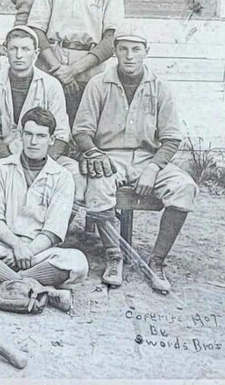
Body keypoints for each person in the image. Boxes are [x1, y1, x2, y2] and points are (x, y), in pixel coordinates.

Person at [71, 27, 197, 293]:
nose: (129, 56)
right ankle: (114, 256)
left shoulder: (160, 87)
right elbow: (81, 130)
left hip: (147, 159)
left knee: (184, 187)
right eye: (123, 49)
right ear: (115, 52)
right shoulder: (99, 83)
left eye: (136, 49)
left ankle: (157, 261)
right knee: (98, 185)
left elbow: (172, 138)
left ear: (146, 52)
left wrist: (153, 168)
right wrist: (95, 154)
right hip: (110, 156)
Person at [0, 107, 88, 291]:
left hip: (38, 252)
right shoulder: (0, 167)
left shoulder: (63, 176)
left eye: (40, 136)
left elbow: (54, 230)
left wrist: (27, 251)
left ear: (51, 140)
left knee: (77, 262)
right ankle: (33, 287)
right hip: (1, 247)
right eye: (28, 134)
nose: (33, 142)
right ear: (20, 135)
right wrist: (16, 246)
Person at [0, 25, 73, 197]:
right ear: (5, 51)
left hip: (41, 154)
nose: (19, 55)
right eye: (14, 49)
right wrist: (13, 166)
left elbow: (61, 134)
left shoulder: (51, 85)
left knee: (73, 171)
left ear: (36, 54)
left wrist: (41, 165)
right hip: (2, 153)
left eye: (25, 49)